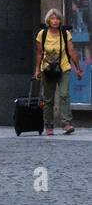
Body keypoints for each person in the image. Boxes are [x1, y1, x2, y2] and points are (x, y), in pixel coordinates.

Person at [34, 8, 84, 136]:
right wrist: (37, 70)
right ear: (48, 21)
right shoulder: (42, 34)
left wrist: (77, 68)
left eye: (57, 18)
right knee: (48, 99)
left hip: (63, 67)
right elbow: (39, 53)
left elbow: (72, 51)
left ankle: (66, 123)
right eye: (52, 18)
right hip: (47, 69)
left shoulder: (65, 33)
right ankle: (49, 125)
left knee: (64, 95)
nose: (55, 21)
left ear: (60, 20)